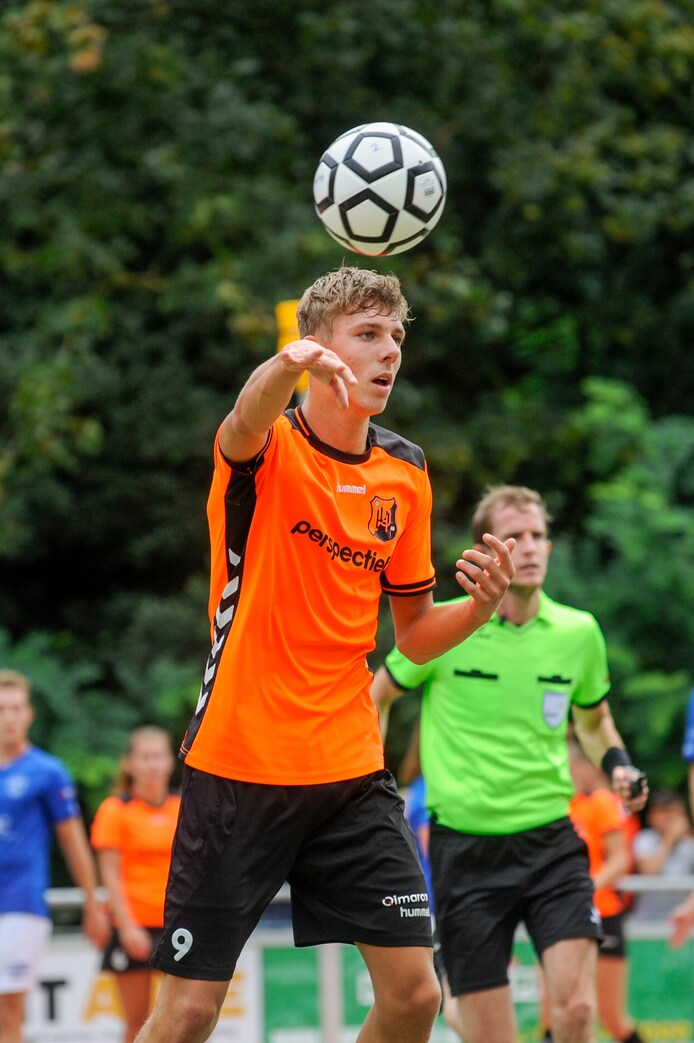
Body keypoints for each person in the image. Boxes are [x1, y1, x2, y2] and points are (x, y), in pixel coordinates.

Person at [133, 266, 516, 1043]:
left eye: (396, 337)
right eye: (368, 335)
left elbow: (411, 634)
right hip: (240, 763)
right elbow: (243, 419)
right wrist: (285, 362)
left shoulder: (404, 471)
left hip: (347, 771)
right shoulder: (268, 445)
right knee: (188, 1014)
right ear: (319, 346)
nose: (389, 353)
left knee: (414, 994)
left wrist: (477, 610)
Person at [371, 484, 649, 1043]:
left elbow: (593, 723)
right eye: (515, 536)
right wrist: (371, 791)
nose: (531, 547)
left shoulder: (579, 633)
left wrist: (618, 764)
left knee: (575, 1013)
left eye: (540, 535)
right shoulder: (442, 627)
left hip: (551, 843)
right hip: (465, 850)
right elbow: (375, 697)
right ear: (484, 552)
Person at [0, 669, 110, 1043]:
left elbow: (73, 842)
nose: (9, 717)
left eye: (16, 708)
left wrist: (92, 903)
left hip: (20, 903)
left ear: (29, 714)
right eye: (2, 709)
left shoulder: (46, 772)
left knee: (6, 1013)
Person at [540, 738, 644, 1043]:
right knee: (554, 1013)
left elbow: (621, 858)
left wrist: (584, 887)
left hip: (602, 912)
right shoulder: (546, 809)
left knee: (611, 1018)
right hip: (556, 917)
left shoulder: (598, 803)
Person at [91, 726, 181, 1043]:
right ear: (130, 764)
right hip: (134, 925)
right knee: (136, 1023)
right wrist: (127, 927)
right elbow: (110, 875)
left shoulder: (182, 808)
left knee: (186, 1018)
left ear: (171, 761)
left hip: (176, 927)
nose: (153, 765)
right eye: (145, 757)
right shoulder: (116, 810)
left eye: (158, 756)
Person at [631, 789, 694, 922]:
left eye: (674, 813)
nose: (669, 818)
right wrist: (669, 840)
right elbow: (650, 870)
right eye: (663, 812)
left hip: (682, 918)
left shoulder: (689, 843)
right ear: (651, 816)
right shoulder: (644, 839)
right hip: (648, 920)